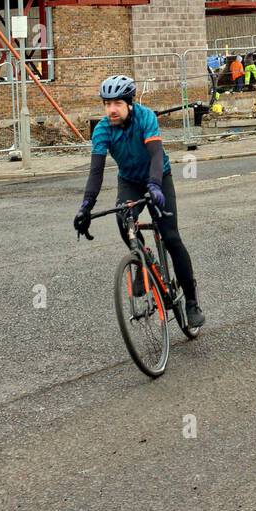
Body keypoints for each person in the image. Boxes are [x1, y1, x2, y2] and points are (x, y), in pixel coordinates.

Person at [73, 75, 204, 329]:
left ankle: (191, 301)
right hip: (130, 181)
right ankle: (142, 261)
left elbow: (156, 154)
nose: (111, 109)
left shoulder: (146, 117)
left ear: (129, 103)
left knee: (171, 236)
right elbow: (96, 172)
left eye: (117, 103)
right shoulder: (102, 130)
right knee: (123, 221)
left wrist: (155, 185)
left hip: (158, 176)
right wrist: (86, 206)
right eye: (107, 104)